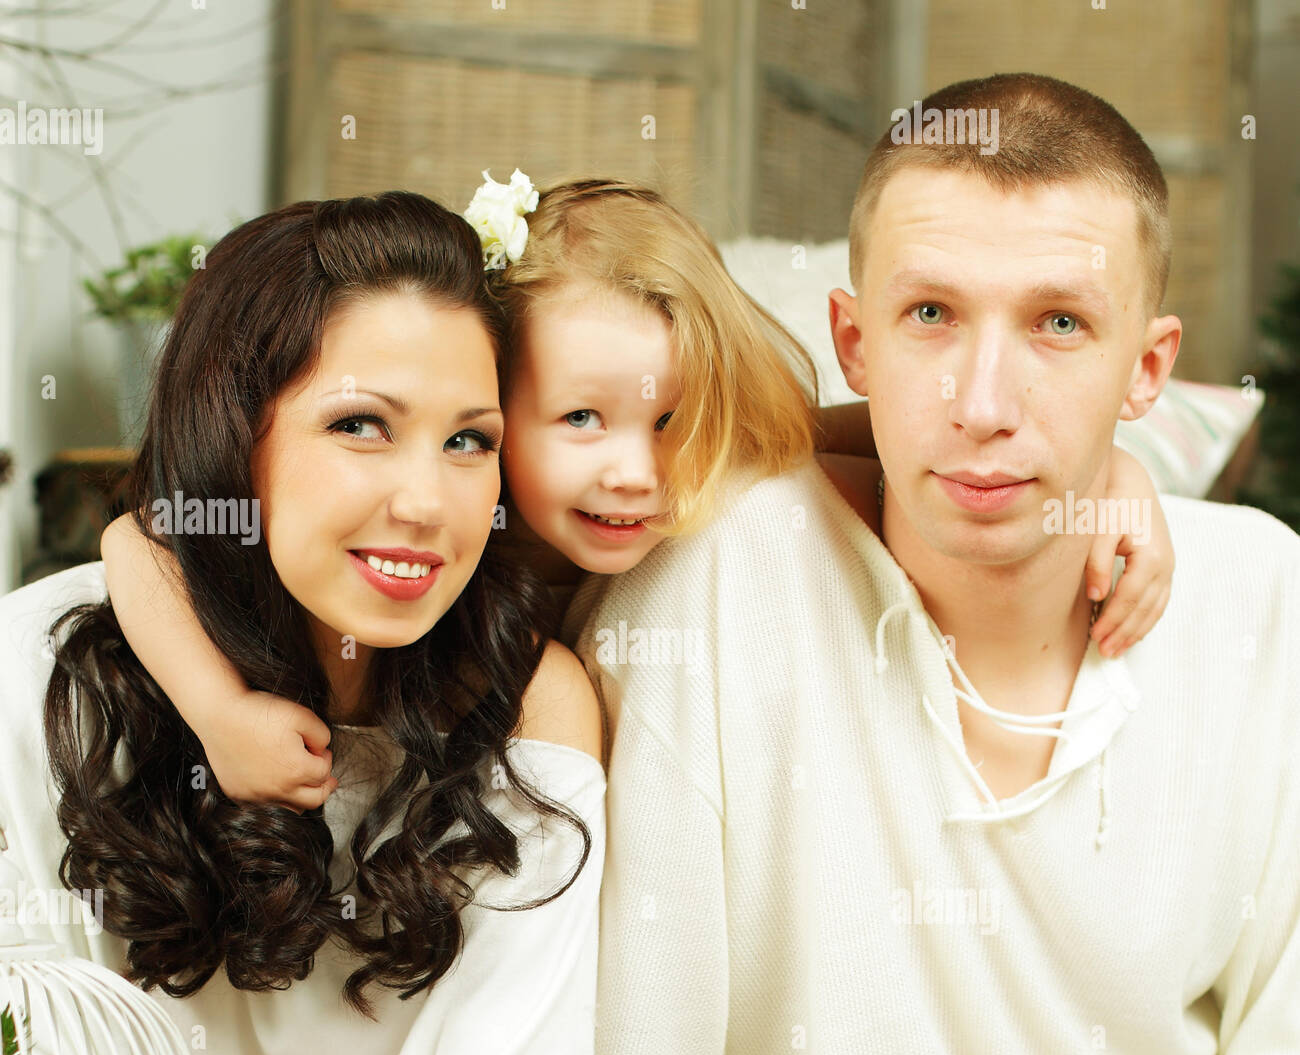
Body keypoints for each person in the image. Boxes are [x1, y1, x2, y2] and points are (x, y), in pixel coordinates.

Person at [561, 72, 1300, 1055]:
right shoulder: (719, 596)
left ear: (1147, 367)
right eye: (931, 317)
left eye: (1060, 323)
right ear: (854, 343)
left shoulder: (1260, 607)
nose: (984, 404)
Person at [97, 175, 1171, 814]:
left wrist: (1111, 481)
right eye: (580, 421)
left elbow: (911, 445)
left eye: (669, 421)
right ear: (492, 398)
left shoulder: (715, 477)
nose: (635, 472)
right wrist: (219, 711)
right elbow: (133, 542)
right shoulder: (438, 513)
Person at [0, 191, 605, 1055]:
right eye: (358, 424)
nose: (426, 501)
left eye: (468, 439)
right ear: (236, 432)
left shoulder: (527, 720)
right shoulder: (39, 681)